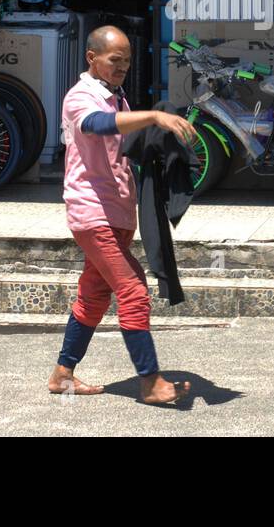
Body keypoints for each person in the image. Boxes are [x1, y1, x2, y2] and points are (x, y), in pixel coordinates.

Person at [47, 25, 198, 405]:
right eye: (115, 60)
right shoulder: (80, 97)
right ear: (92, 58)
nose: (122, 68)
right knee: (133, 290)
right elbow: (95, 125)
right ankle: (150, 382)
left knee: (94, 296)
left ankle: (62, 375)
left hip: (117, 214)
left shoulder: (119, 99)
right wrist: (152, 118)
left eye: (127, 62)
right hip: (91, 211)